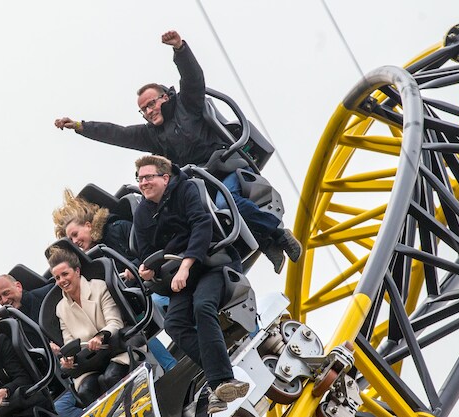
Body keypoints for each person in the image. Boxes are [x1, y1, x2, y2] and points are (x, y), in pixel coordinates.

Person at [54, 30, 302, 272]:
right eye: (144, 110)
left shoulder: (187, 104)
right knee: (189, 213)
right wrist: (80, 126)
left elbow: (193, 77)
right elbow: (117, 133)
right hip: (195, 180)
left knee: (222, 203)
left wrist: (180, 49)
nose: (149, 111)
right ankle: (258, 244)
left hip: (222, 165)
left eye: (152, 104)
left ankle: (277, 234)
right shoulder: (151, 134)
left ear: (165, 96)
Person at [132, 155, 249, 413]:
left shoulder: (185, 189)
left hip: (210, 263)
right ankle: (221, 381)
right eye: (140, 179)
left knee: (203, 306)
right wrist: (148, 271)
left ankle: (221, 380)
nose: (143, 183)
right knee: (174, 323)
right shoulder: (142, 213)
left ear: (165, 177)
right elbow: (147, 252)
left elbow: (201, 225)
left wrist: (184, 264)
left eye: (148, 177)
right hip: (180, 277)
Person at [51, 190, 178, 373]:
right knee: (137, 324)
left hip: (152, 283)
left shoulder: (117, 228)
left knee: (156, 304)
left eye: (75, 234)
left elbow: (147, 250)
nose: (74, 241)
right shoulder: (88, 263)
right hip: (131, 301)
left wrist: (134, 268)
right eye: (70, 239)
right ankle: (171, 366)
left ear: (88, 225)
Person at [48, 248, 132, 417]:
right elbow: (70, 342)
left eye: (65, 274)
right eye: (57, 278)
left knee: (111, 376)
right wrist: (68, 358)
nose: (62, 280)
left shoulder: (99, 286)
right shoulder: (60, 308)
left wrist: (100, 337)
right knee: (86, 390)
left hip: (116, 349)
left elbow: (115, 322)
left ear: (77, 271)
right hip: (90, 363)